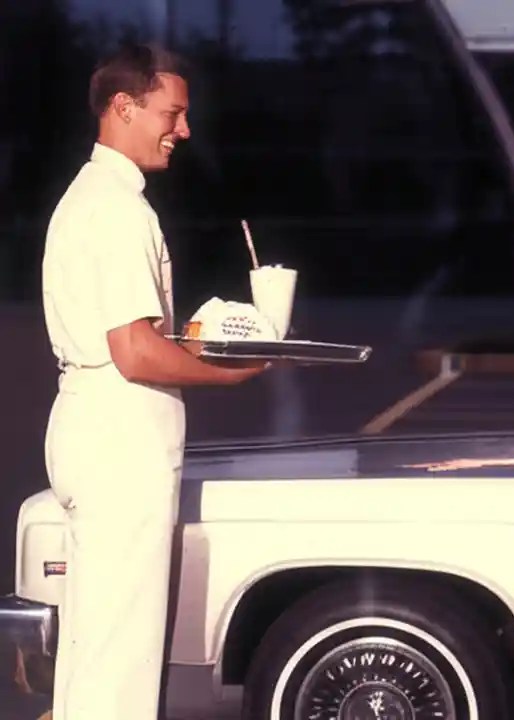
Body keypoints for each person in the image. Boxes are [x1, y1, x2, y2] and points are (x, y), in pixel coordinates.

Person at [41, 43, 268, 720]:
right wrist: (232, 373)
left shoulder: (94, 197)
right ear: (124, 106)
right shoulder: (115, 209)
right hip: (118, 437)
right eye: (173, 112)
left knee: (98, 644)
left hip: (94, 425)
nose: (184, 130)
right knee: (121, 655)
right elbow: (136, 352)